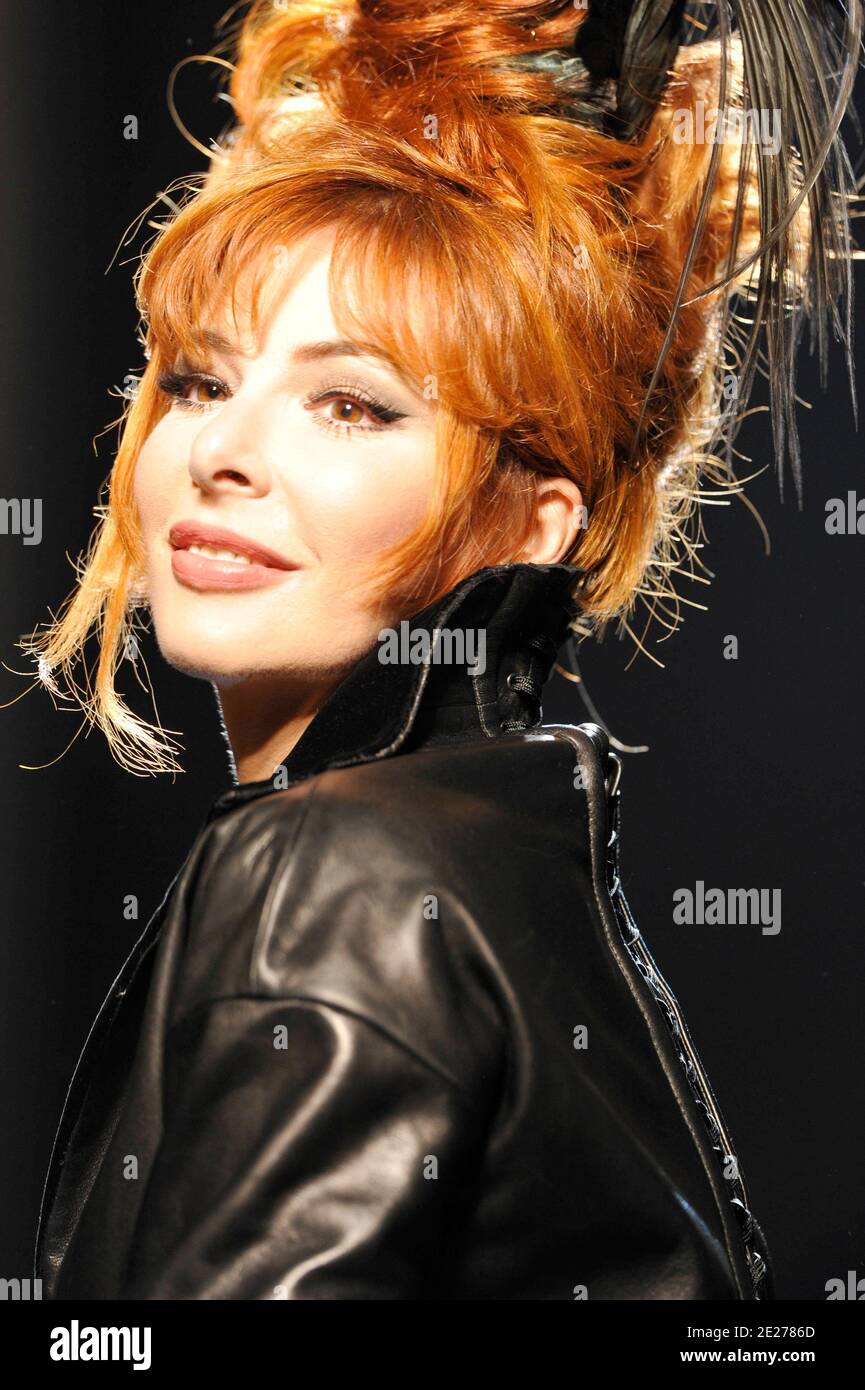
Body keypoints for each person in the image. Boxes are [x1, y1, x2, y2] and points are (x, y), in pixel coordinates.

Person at [22, 0, 860, 1299]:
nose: (218, 450)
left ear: (531, 522)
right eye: (196, 378)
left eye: (350, 405)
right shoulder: (501, 858)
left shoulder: (338, 874)